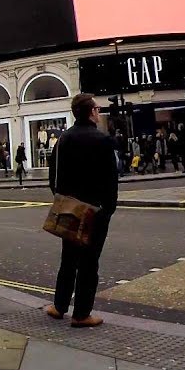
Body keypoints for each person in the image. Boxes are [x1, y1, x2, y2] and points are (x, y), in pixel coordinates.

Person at [46, 93, 118, 328]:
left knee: (68, 259)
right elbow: (111, 179)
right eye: (97, 109)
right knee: (89, 263)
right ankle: (82, 314)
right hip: (95, 211)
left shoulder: (64, 139)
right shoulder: (102, 140)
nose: (99, 112)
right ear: (91, 112)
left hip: (71, 209)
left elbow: (53, 178)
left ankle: (59, 307)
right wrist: (108, 209)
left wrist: (64, 199)